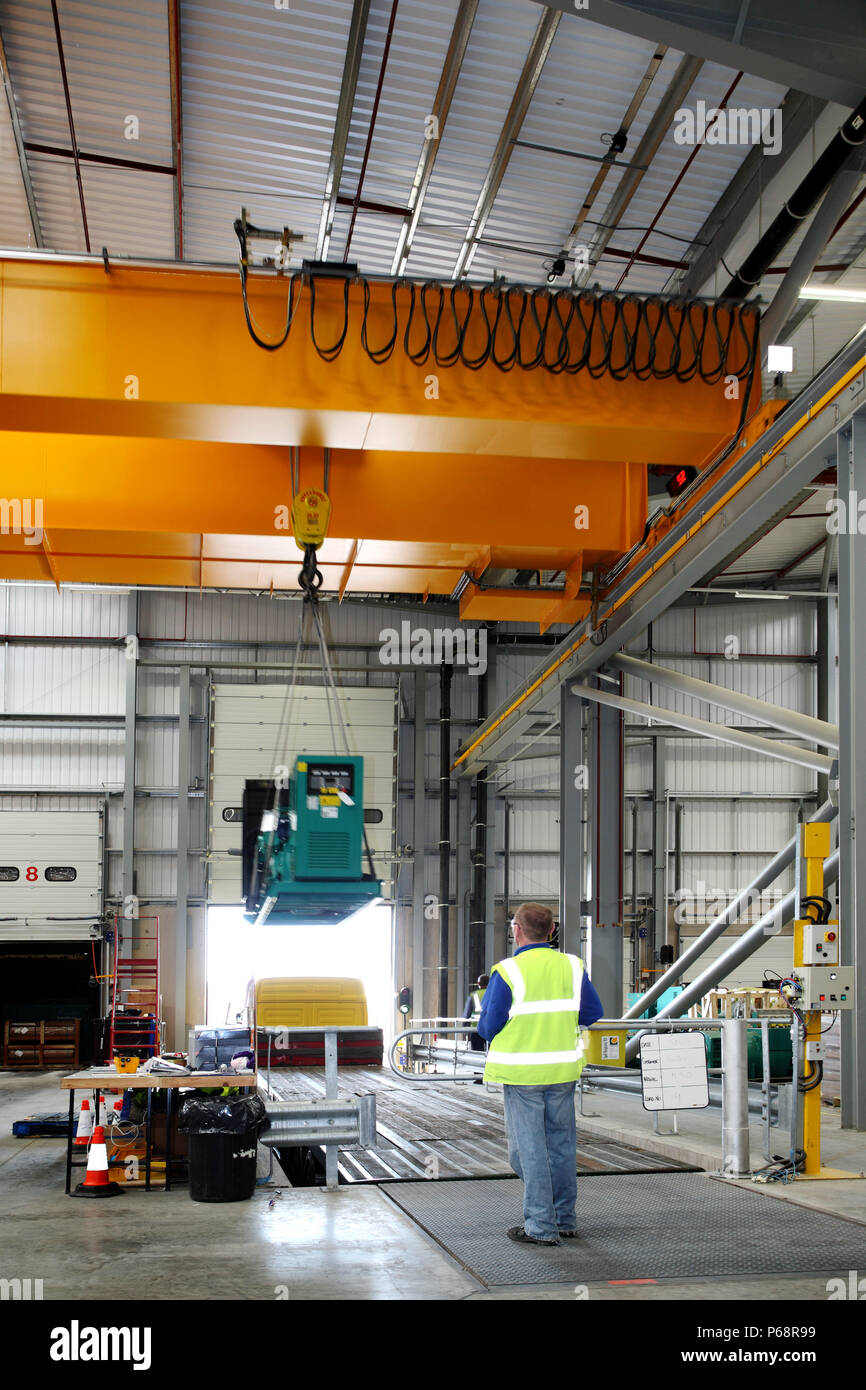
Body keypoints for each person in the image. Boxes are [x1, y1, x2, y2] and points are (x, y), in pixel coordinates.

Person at [476, 902, 604, 1246]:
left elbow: (488, 1027)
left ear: (517, 929)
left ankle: (541, 1227)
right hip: (563, 1073)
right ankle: (564, 1220)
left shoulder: (508, 971)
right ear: (550, 931)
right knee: (561, 1146)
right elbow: (592, 1012)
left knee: (527, 1151)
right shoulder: (572, 966)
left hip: (522, 1076)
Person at [462, 974, 490, 1053]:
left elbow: (467, 1015)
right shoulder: (493, 994)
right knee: (491, 1053)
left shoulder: (473, 995)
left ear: (478, 984)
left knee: (477, 1053)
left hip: (476, 1029)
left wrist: (464, 1029)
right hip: (490, 1027)